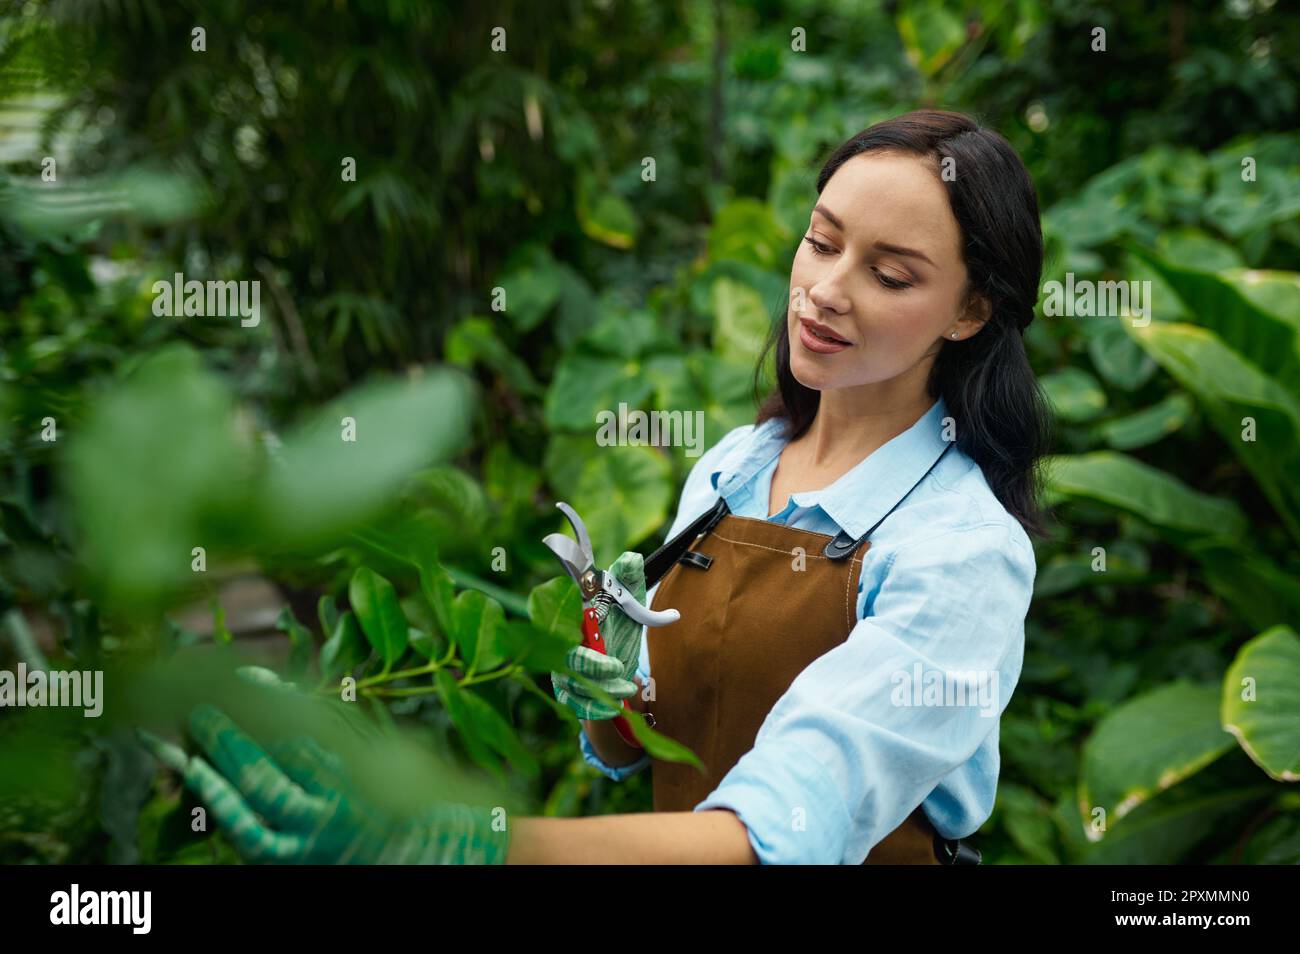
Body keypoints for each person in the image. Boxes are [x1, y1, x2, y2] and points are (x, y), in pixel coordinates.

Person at [150, 109, 1050, 865]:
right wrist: (618, 695)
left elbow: (791, 817)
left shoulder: (961, 550)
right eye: (821, 242)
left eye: (889, 275)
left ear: (972, 312)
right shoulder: (736, 468)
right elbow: (644, 745)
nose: (824, 289)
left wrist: (473, 842)